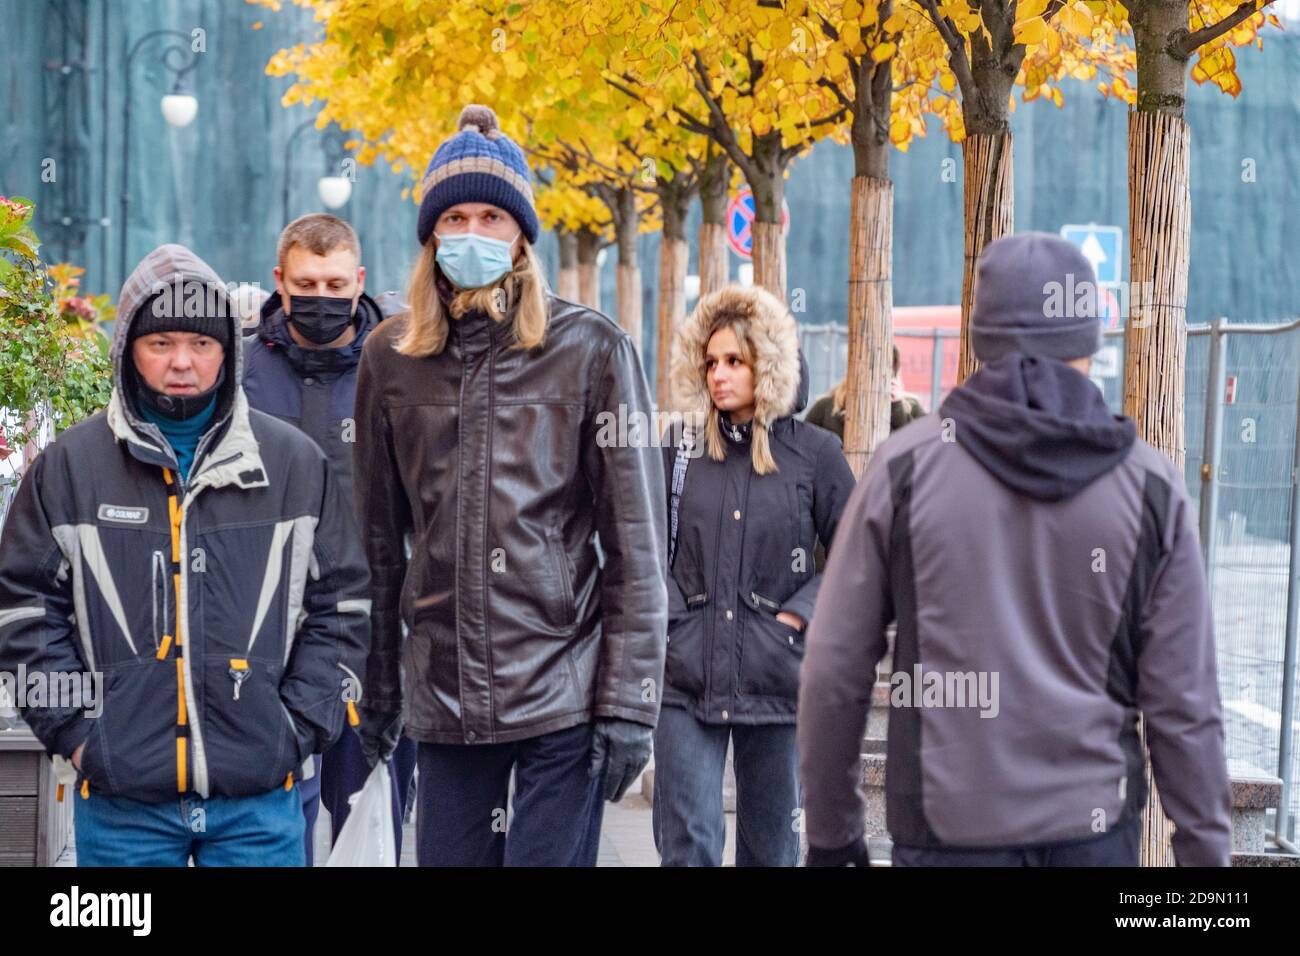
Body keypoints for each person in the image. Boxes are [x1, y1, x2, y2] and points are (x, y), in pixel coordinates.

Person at [798, 232, 1232, 867]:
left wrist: (833, 841)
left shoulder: (905, 471)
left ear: (981, 337)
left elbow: (833, 669)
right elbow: (1185, 704)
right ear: (1091, 340)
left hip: (945, 831)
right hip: (1093, 833)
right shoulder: (1149, 489)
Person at [354, 104, 667, 867]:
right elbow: (375, 545)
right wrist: (379, 689)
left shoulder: (591, 349)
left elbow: (637, 546)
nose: (471, 233)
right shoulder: (389, 360)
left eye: (491, 216)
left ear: (523, 234)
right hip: (443, 691)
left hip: (563, 687)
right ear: (430, 235)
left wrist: (629, 704)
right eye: (453, 216)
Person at [0, 243, 370, 866]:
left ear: (228, 352)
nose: (181, 363)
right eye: (160, 342)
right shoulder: (71, 466)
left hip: (258, 804)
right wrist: (79, 735)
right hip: (121, 808)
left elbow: (343, 605)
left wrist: (295, 731)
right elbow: (23, 610)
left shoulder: (292, 463)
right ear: (127, 350)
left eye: (202, 344)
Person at [653, 284, 855, 866]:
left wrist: (799, 615)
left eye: (735, 361)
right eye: (711, 362)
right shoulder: (679, 449)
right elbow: (640, 545)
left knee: (771, 850)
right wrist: (671, 619)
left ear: (766, 365)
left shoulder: (816, 453)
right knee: (688, 844)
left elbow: (860, 553)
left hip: (780, 681)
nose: (719, 375)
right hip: (684, 679)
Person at [243, 213, 416, 865]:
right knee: (272, 823)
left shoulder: (404, 363)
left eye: (335, 283)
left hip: (377, 639)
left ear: (360, 280)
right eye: (307, 283)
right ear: (280, 283)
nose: (322, 297)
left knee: (370, 815)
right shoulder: (237, 370)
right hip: (266, 642)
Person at [804, 344, 924, 438]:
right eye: (870, 366)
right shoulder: (826, 407)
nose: (876, 374)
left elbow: (920, 448)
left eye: (885, 368)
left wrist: (897, 408)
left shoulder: (911, 407)